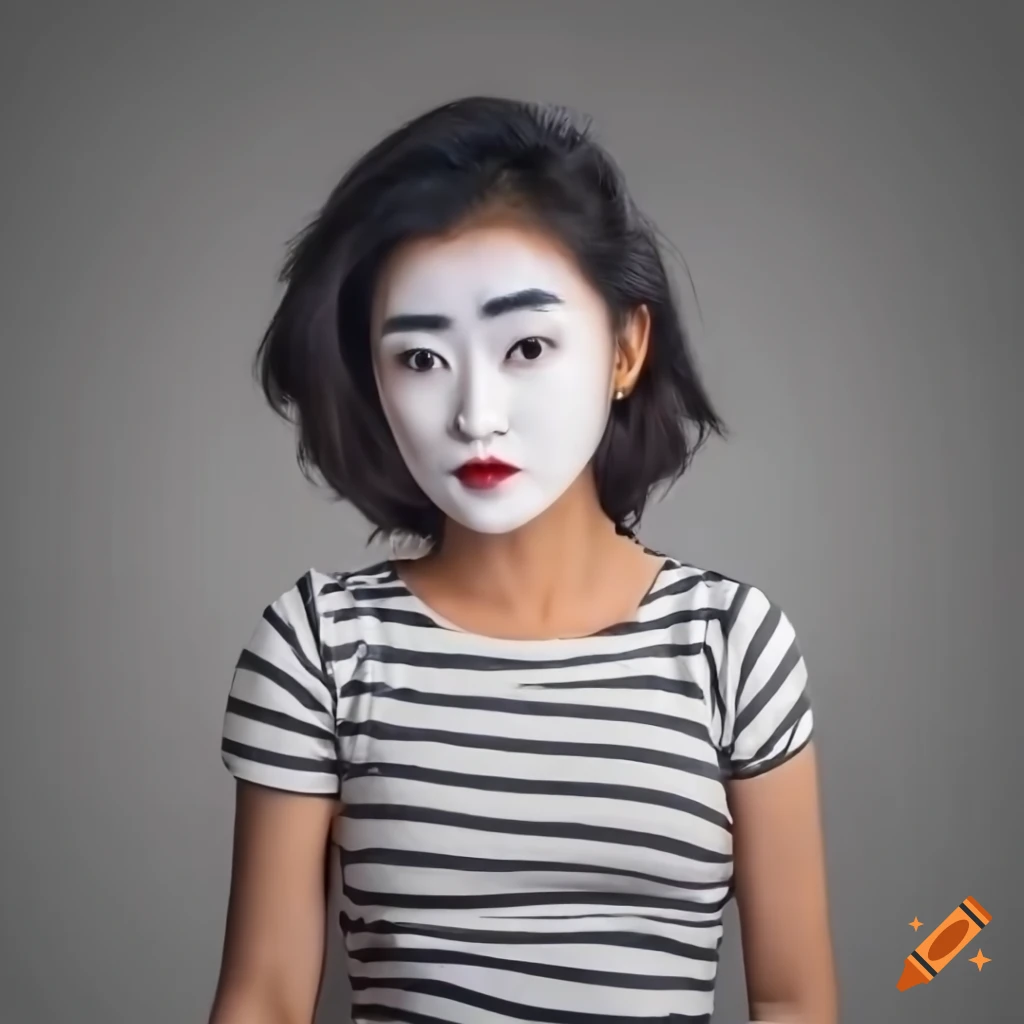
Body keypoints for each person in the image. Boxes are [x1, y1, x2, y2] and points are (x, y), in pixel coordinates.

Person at [209, 96, 837, 1024]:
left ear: (626, 348)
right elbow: (262, 1000)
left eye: (528, 346)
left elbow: (792, 1000)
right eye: (421, 359)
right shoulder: (319, 649)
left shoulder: (733, 645)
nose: (475, 414)